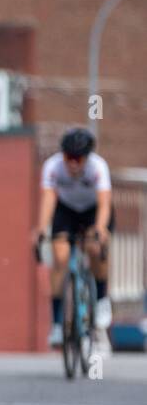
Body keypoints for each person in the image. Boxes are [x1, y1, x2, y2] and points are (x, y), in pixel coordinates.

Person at [32, 127, 114, 347]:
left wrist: (100, 228)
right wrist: (41, 229)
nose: (73, 163)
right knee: (60, 257)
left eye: (78, 158)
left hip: (92, 210)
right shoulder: (53, 167)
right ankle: (58, 323)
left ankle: (101, 300)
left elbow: (104, 203)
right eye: (69, 157)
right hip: (66, 210)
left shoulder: (98, 167)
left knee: (96, 248)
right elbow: (48, 200)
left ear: (87, 158)